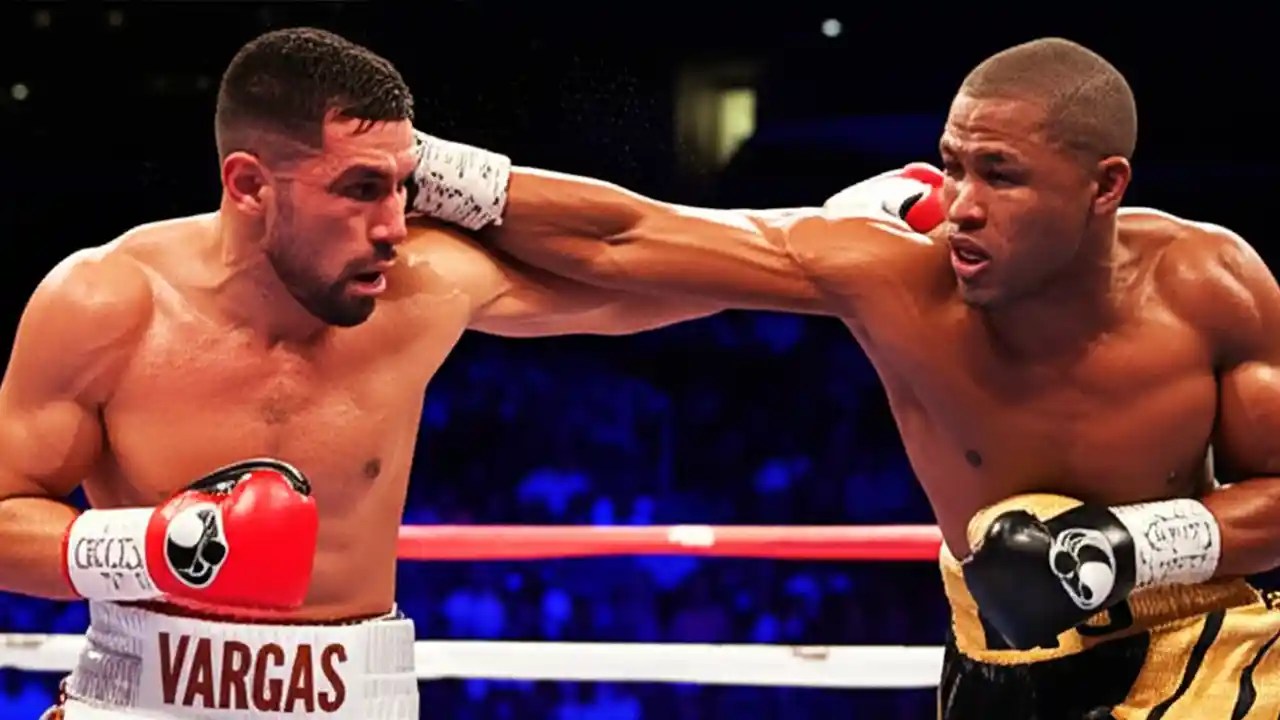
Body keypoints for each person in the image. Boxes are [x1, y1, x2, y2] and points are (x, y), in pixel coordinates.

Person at [413, 37, 1280, 717]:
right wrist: (424, 168)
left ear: (1105, 186)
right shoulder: (895, 277)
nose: (965, 202)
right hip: (996, 660)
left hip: (1194, 643)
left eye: (1002, 176)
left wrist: (1121, 550)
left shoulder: (1208, 287)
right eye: (953, 166)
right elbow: (629, 239)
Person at [0, 27, 742, 720]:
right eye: (360, 189)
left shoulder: (422, 287)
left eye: (404, 186)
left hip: (356, 698)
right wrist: (163, 549)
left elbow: (640, 273)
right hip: (139, 701)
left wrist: (813, 251)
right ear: (250, 185)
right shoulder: (105, 303)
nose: (394, 225)